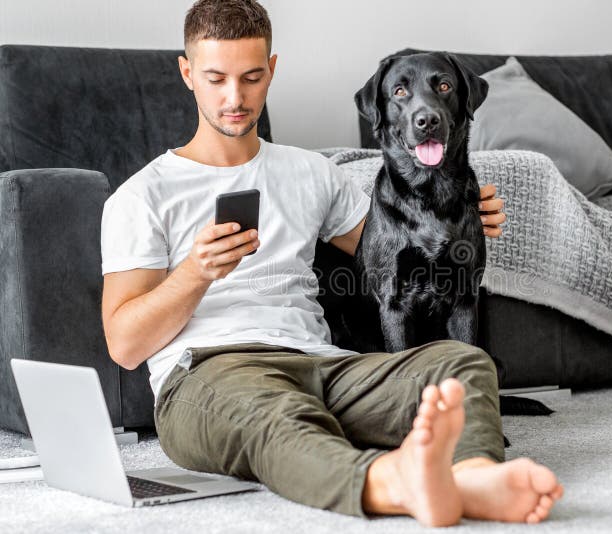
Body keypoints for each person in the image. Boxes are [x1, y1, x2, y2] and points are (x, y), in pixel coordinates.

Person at [100, 0, 563, 527]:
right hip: (212, 373)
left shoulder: (311, 173)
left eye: (252, 77)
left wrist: (461, 223)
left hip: (322, 364)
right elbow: (125, 344)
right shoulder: (142, 196)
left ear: (271, 70)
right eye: (216, 78)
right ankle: (393, 484)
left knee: (463, 364)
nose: (235, 97)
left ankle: (473, 475)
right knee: (275, 416)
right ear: (187, 74)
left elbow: (395, 254)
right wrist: (194, 273)